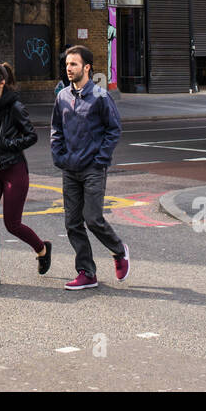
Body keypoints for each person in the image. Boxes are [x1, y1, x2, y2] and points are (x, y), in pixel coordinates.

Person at [51, 45, 128, 291]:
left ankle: (118, 250)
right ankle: (86, 272)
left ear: (87, 67)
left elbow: (113, 129)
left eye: (74, 64)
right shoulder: (62, 96)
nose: (69, 69)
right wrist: (59, 156)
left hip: (93, 168)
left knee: (92, 218)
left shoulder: (101, 97)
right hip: (69, 169)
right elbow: (56, 130)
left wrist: (101, 159)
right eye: (67, 65)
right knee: (72, 223)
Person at [0, 62, 51, 288]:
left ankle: (42, 249)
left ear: (2, 82)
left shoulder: (15, 106)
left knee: (12, 224)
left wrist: (8, 144)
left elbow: (32, 136)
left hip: (13, 169)